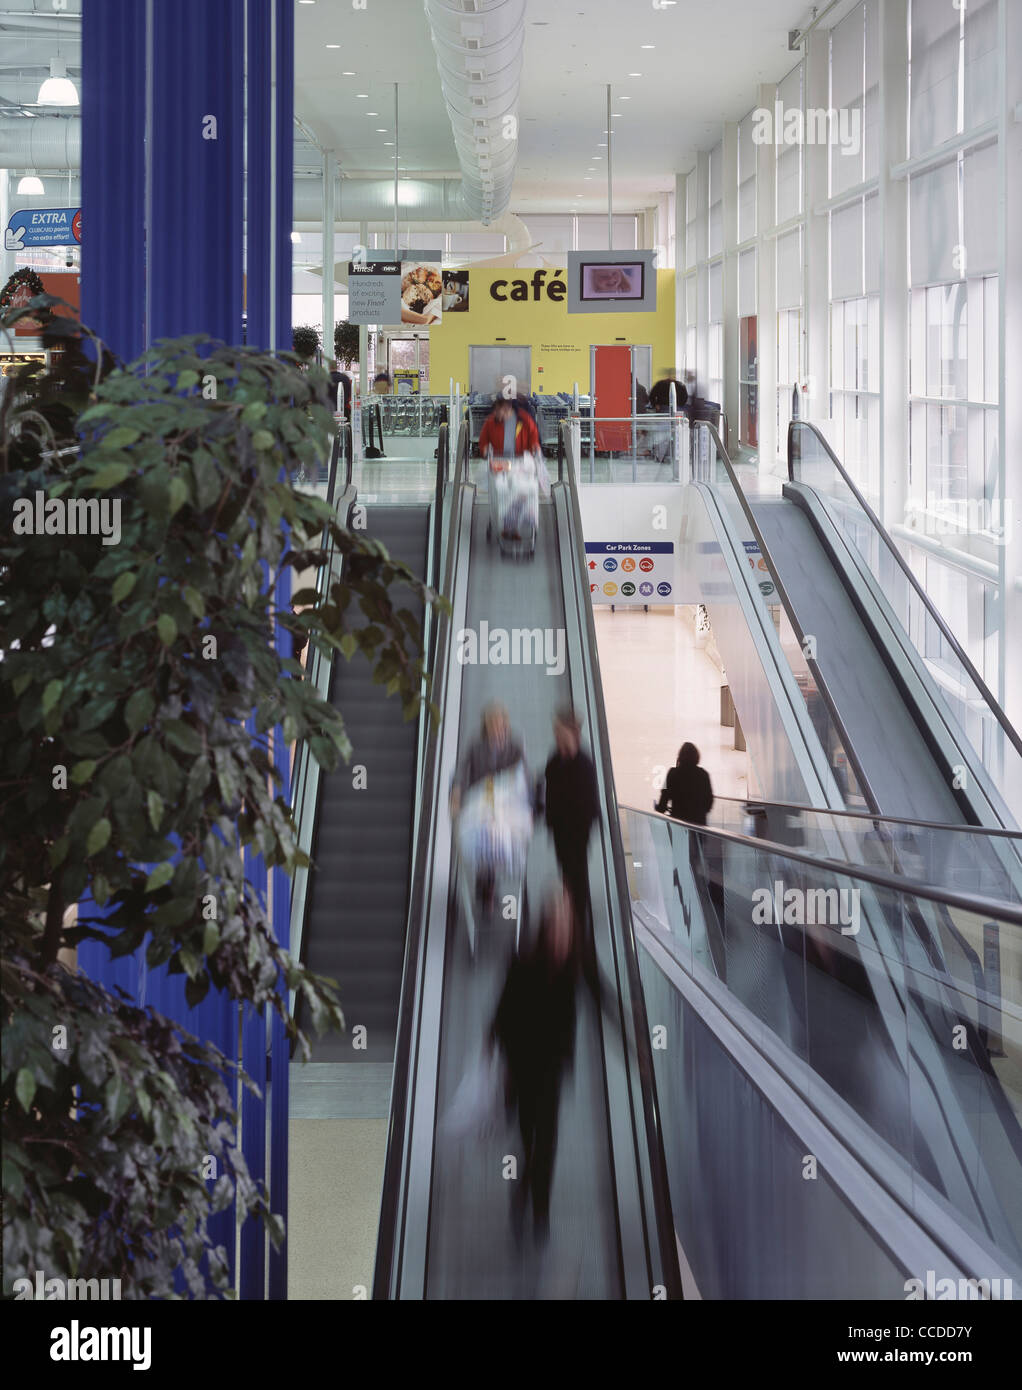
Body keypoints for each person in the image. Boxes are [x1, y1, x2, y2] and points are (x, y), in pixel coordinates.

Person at [491, 883, 577, 1245]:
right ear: (546, 926)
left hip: (551, 1073)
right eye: (560, 925)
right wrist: (506, 1065)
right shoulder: (524, 962)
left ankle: (539, 1209)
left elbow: (576, 1013)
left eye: (568, 926)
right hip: (525, 1073)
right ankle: (523, 1194)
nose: (565, 933)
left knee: (548, 1145)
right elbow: (501, 1019)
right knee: (531, 1144)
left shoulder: (569, 967)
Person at [543, 709, 600, 990]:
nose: (556, 736)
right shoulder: (554, 762)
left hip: (577, 838)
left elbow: (591, 807)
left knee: (577, 886)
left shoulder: (585, 766)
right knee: (569, 882)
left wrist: (570, 820)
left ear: (573, 733)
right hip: (561, 838)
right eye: (555, 731)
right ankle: (572, 944)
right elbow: (549, 797)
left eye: (560, 731)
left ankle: (578, 949)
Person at [451, 703, 528, 911]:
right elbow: (462, 770)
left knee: (499, 839)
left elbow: (523, 775)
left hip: (505, 806)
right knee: (484, 839)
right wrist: (457, 791)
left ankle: (491, 883)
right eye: (492, 724)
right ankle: (485, 885)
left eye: (500, 723)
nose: (496, 727)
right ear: (486, 726)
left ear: (505, 725)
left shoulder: (515, 746)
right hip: (480, 804)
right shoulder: (477, 746)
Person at [655, 742, 714, 824]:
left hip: (678, 822)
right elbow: (709, 801)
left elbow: (664, 799)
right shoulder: (703, 774)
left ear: (680, 756)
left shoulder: (672, 773)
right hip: (699, 823)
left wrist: (658, 808)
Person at [477, 396, 541, 460]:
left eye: (498, 411)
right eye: (495, 411)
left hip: (522, 460)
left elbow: (534, 436)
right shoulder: (491, 421)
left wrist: (535, 446)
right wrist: (484, 450)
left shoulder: (525, 419)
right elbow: (483, 440)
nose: (495, 414)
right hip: (499, 460)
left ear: (507, 409)